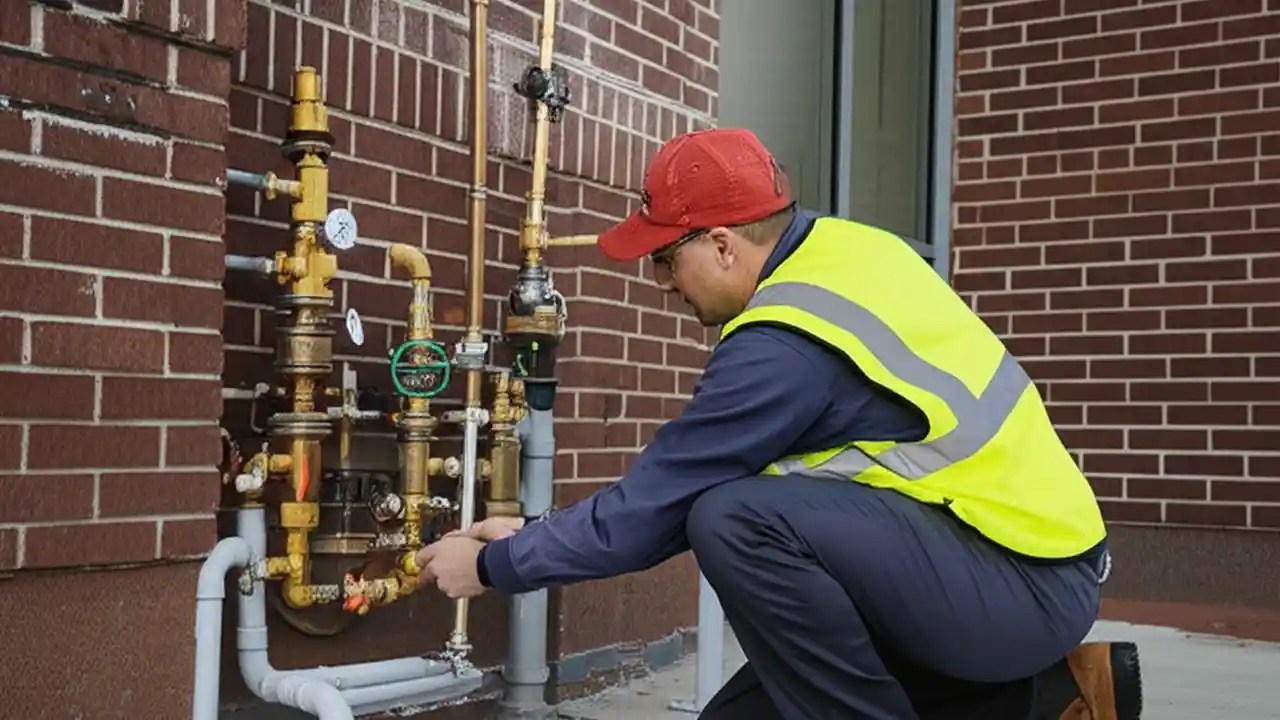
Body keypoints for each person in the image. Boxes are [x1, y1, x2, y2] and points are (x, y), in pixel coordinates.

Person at [415, 128, 1143, 719]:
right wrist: (537, 540)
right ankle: (1049, 698)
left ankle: (1020, 686)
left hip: (1018, 587)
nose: (661, 283)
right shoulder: (851, 250)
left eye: (667, 258)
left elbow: (662, 505)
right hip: (999, 567)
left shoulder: (783, 343)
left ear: (725, 244)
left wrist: (490, 567)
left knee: (736, 520)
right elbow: (678, 498)